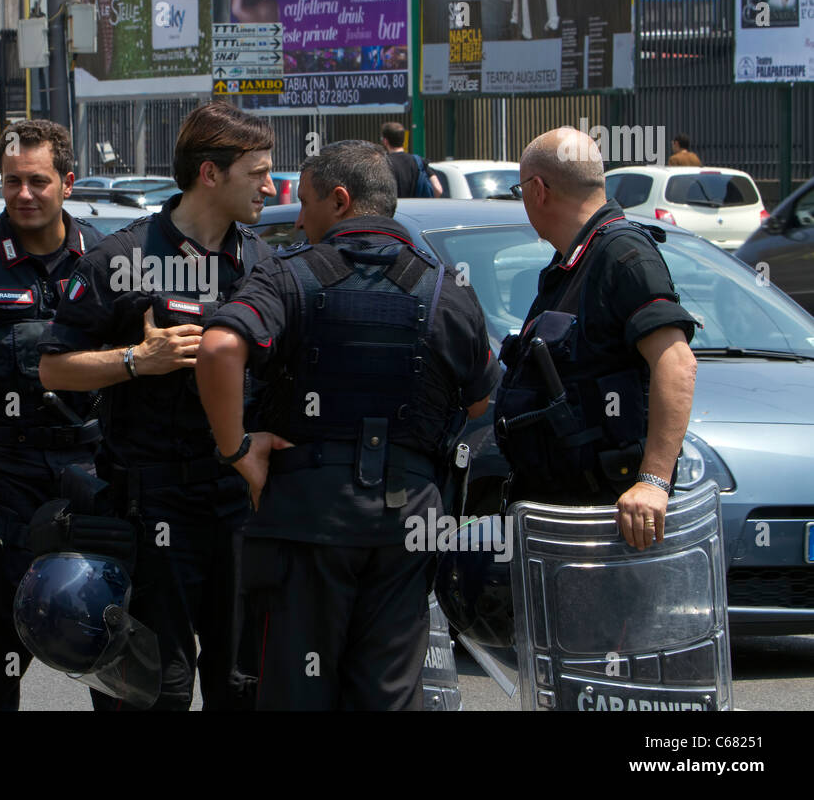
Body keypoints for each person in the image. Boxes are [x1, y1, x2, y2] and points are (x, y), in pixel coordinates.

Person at [194, 140, 498, 710]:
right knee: (387, 694)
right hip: (406, 523)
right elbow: (482, 403)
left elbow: (217, 349)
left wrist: (236, 449)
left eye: (305, 202)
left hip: (307, 521)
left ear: (340, 200)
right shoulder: (445, 287)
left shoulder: (286, 277)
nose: (299, 216)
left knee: (295, 691)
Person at [38, 100, 275, 711]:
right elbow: (53, 367)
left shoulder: (263, 263)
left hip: (236, 500)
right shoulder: (121, 258)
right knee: (152, 690)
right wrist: (135, 361)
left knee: (241, 684)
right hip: (150, 505)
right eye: (258, 173)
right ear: (211, 174)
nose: (271, 187)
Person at [0, 118, 105, 711]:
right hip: (3, 478)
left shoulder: (105, 260)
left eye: (38, 181)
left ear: (67, 182)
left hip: (92, 475)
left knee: (110, 642)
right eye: (12, 182)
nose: (24, 195)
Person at [495, 127, 697, 547]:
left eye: (520, 190)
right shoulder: (574, 261)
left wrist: (653, 483)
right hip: (566, 512)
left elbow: (676, 361)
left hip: (606, 524)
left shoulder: (623, 256)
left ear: (537, 190)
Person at [380, 122, 441, 197]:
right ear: (403, 139)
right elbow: (438, 189)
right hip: (417, 207)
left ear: (385, 141)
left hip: (395, 207)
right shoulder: (419, 161)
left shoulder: (382, 163)